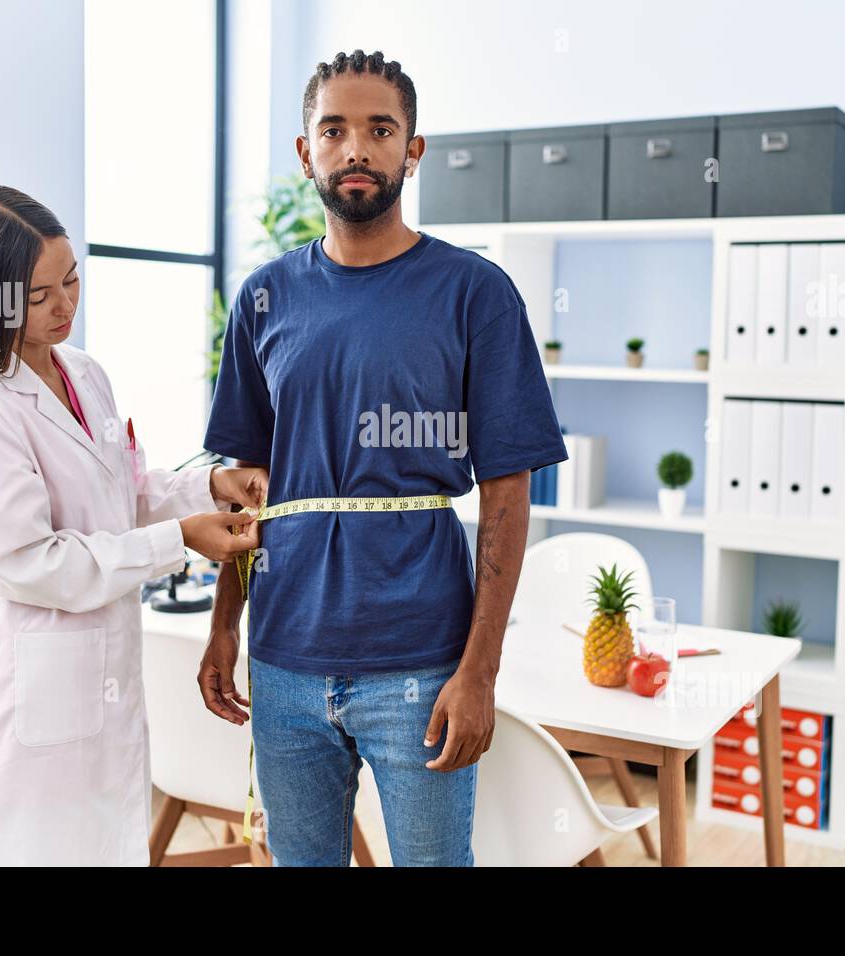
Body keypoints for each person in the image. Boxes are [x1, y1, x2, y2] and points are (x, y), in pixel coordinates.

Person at [198, 50, 568, 866]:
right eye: (334, 130)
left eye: (380, 130)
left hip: (423, 665)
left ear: (413, 150)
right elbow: (244, 490)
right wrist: (225, 626)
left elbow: (508, 495)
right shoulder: (262, 301)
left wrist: (479, 673)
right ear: (307, 152)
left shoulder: (476, 293)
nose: (356, 149)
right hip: (284, 662)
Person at [0, 185, 266, 865]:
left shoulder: (83, 373)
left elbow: (121, 493)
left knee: (109, 847)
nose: (65, 305)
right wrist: (180, 541)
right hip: (24, 688)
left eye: (71, 279)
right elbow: (29, 560)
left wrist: (209, 486)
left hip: (99, 678)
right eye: (39, 295)